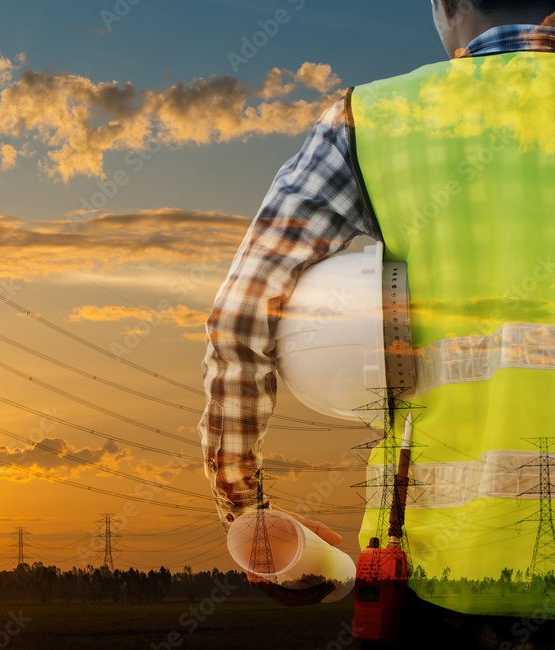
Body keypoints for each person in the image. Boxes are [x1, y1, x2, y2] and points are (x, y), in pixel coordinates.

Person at [199, 1, 555, 647]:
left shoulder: (373, 119)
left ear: (446, 4)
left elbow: (242, 313)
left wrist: (246, 514)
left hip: (432, 583)